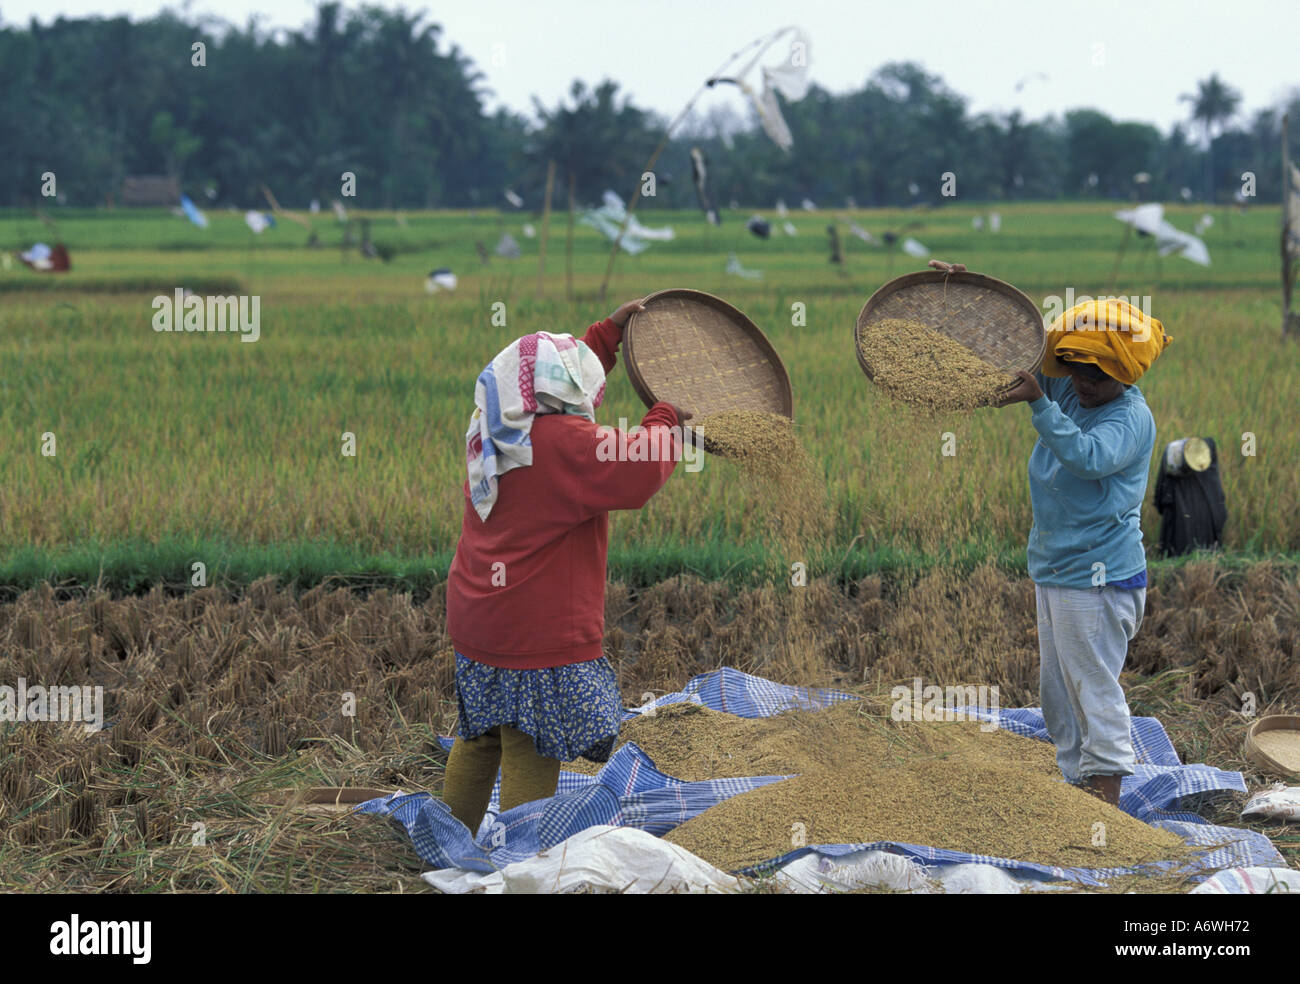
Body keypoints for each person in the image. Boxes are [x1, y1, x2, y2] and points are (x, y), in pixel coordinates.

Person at [442, 298, 691, 835]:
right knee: (531, 745)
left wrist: (607, 335)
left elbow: (548, 378)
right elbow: (640, 468)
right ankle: (519, 862)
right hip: (535, 633)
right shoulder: (567, 446)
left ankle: (446, 845)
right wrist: (665, 415)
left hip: (480, 620)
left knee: (481, 735)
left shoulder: (494, 429)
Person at [1000, 296, 1172, 807]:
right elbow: (1018, 355)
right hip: (1056, 568)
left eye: (1095, 376)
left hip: (1098, 577)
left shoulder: (1129, 418)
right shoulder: (1073, 390)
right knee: (1058, 691)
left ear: (1124, 374)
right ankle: (1076, 786)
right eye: (1073, 371)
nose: (1081, 384)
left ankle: (1105, 796)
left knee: (1092, 686)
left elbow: (1086, 457)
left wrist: (1038, 404)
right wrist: (958, 293)